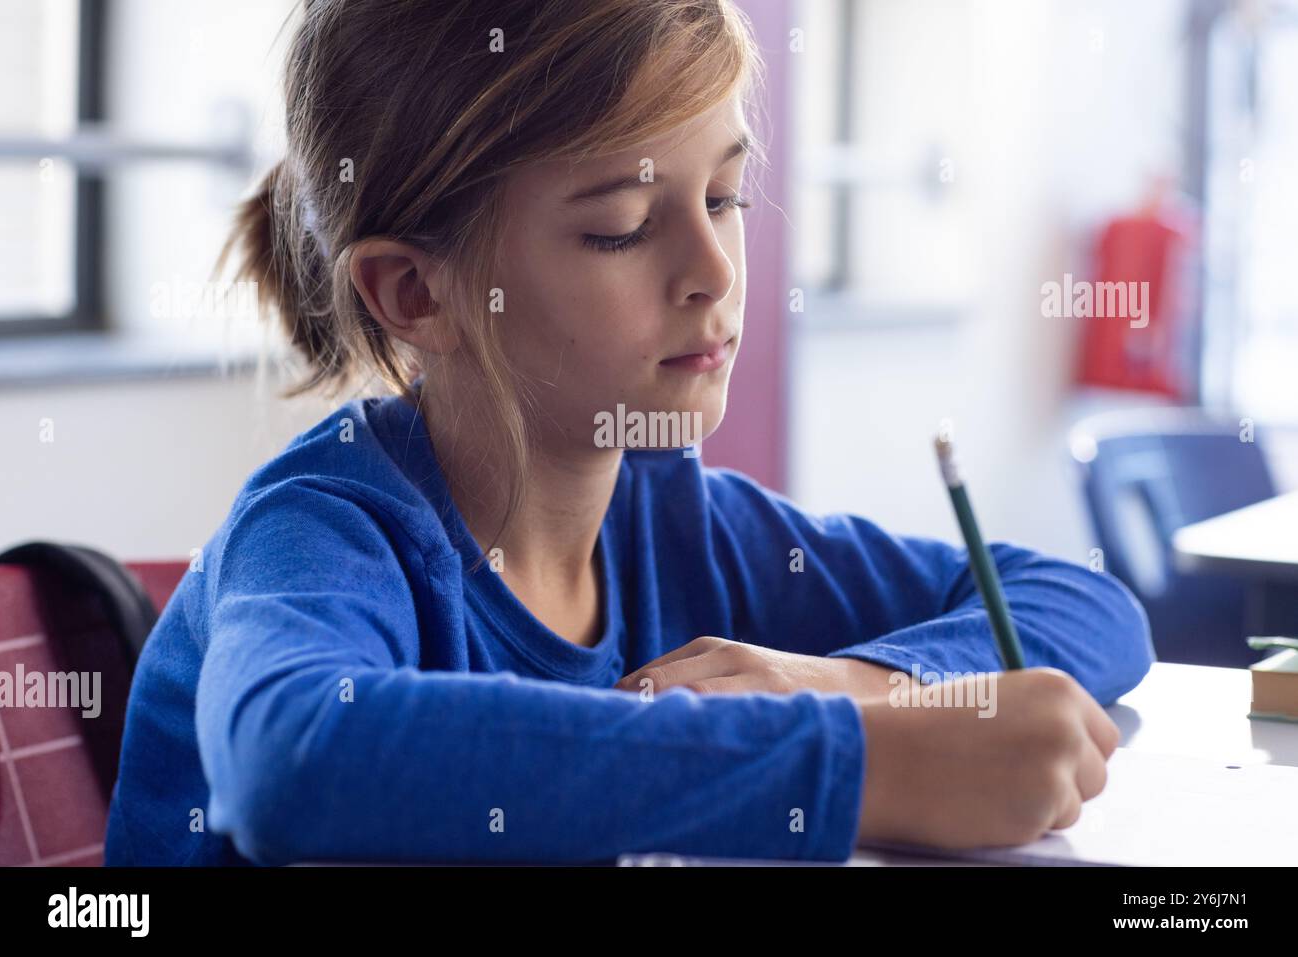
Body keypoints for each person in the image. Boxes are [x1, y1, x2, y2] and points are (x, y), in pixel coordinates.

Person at [105, 0, 1151, 866]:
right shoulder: (323, 531)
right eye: (624, 226)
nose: (716, 272)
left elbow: (1084, 606)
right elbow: (297, 760)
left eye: (726, 195)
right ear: (416, 293)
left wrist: (847, 680)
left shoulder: (671, 514)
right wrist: (854, 761)